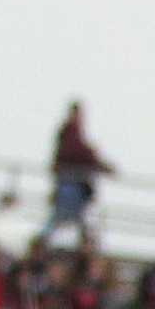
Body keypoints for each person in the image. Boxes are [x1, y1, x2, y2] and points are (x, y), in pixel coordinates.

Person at [48, 101, 114, 241]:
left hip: (73, 182)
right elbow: (76, 152)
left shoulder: (71, 132)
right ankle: (46, 239)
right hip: (71, 182)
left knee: (72, 217)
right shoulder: (70, 132)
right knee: (65, 215)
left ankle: (82, 241)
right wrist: (97, 160)